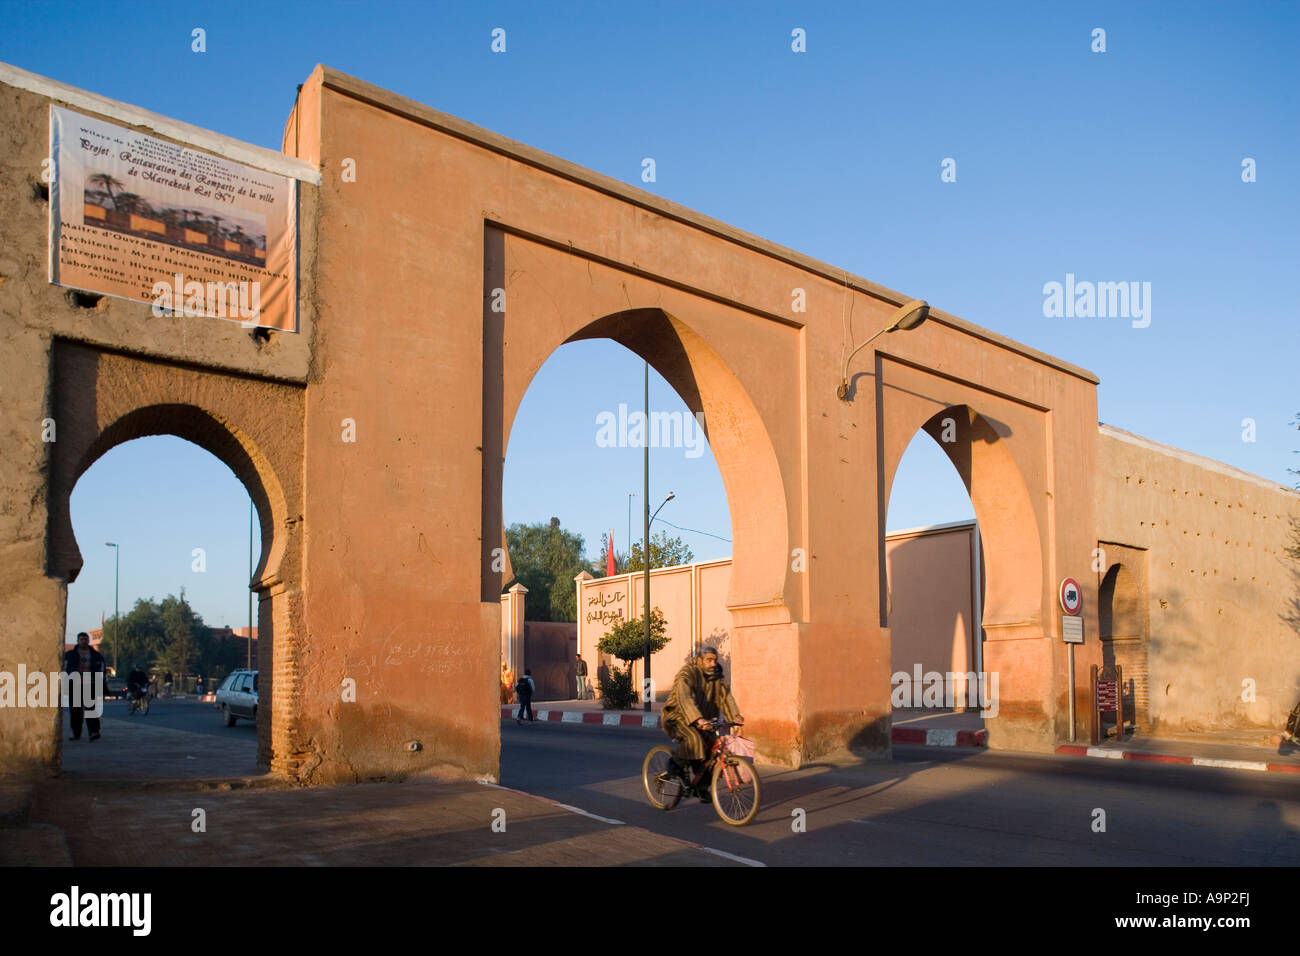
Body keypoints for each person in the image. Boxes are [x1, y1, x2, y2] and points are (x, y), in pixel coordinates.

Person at [661, 646, 743, 797]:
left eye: (714, 660)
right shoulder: (688, 673)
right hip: (678, 717)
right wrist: (697, 718)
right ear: (699, 660)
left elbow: (725, 698)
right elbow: (684, 698)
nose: (713, 664)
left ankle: (701, 787)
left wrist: (735, 717)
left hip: (704, 720)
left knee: (713, 750)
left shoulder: (716, 676)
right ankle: (674, 766)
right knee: (693, 739)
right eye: (709, 660)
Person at [63, 632, 105, 742]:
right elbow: (64, 669)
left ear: (88, 641)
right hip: (75, 684)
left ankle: (94, 732)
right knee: (76, 711)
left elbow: (101, 670)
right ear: (78, 641)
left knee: (91, 709)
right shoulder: (70, 655)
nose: (84, 641)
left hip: (89, 684)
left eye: (86, 639)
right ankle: (76, 733)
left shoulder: (96, 655)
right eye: (81, 639)